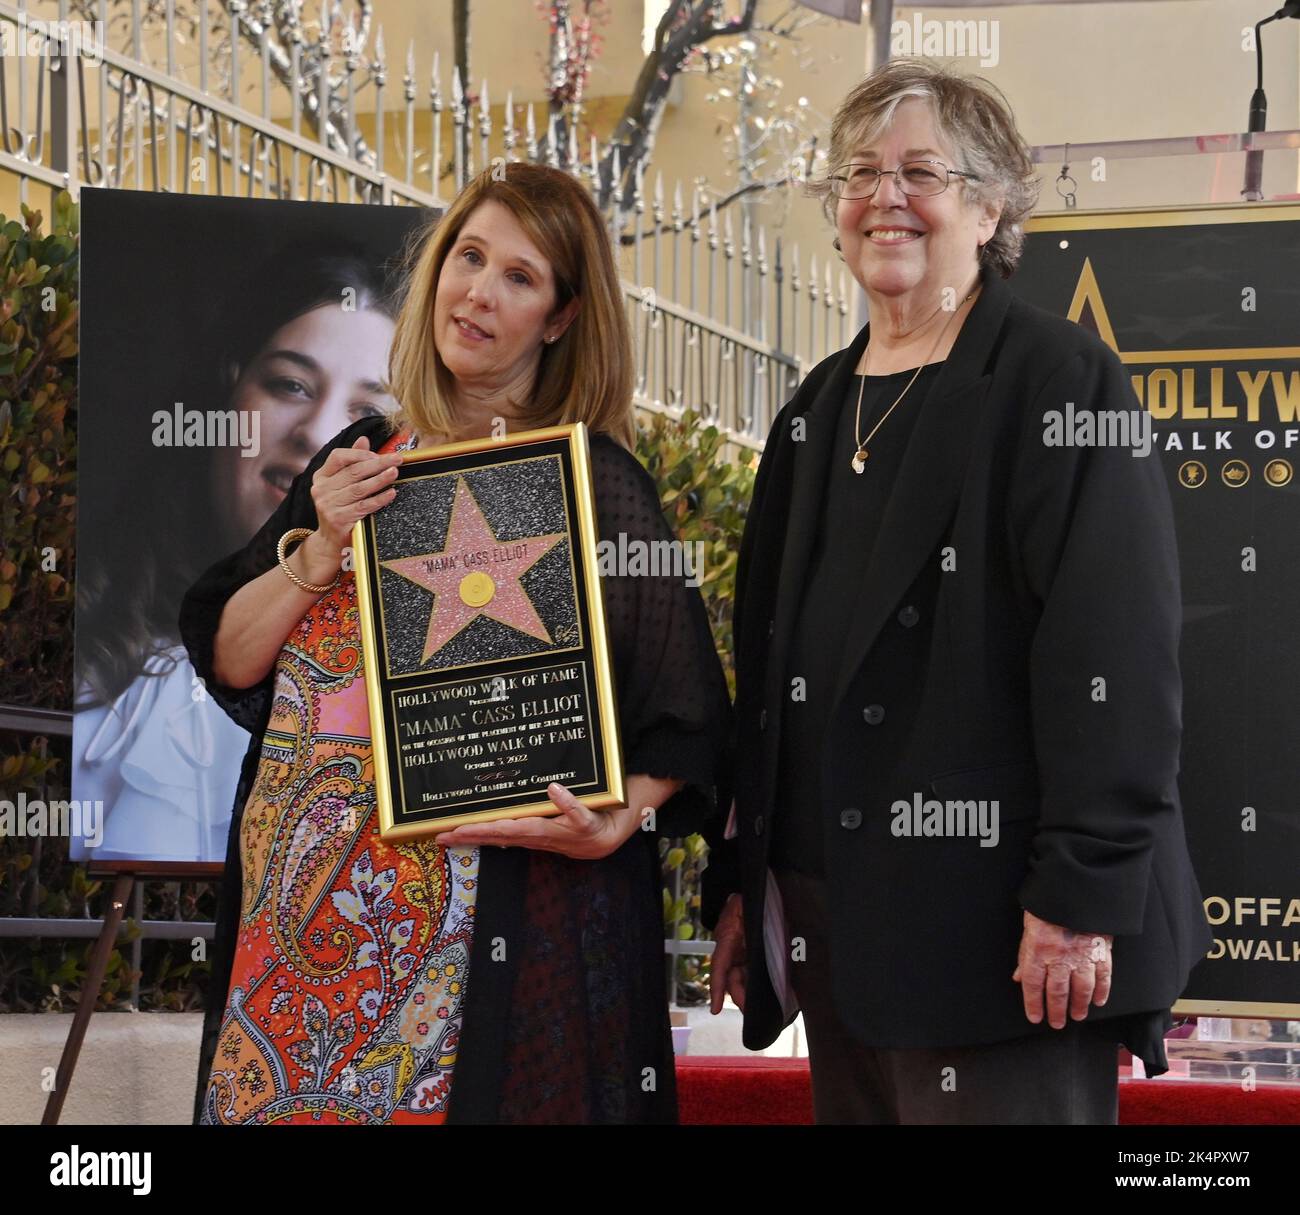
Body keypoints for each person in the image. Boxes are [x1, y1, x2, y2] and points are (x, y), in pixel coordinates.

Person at [703, 57, 1211, 1125]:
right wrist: (746, 885)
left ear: (988, 211)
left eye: (921, 172)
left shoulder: (1058, 381)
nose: (884, 196)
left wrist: (1077, 898)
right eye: (860, 173)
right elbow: (771, 675)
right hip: (837, 928)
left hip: (1000, 936)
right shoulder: (815, 407)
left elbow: (1115, 659)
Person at [180, 162, 731, 1124]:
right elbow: (230, 657)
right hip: (289, 963)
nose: (478, 292)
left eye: (519, 276)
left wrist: (618, 820)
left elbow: (689, 719)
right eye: (468, 257)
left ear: (560, 317)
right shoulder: (359, 455)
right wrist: (319, 548)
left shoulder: (592, 483)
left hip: (475, 966)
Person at [73, 246, 402, 863]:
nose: (317, 432)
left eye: (367, 412)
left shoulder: (406, 693)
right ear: (227, 388)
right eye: (290, 385)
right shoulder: (94, 662)